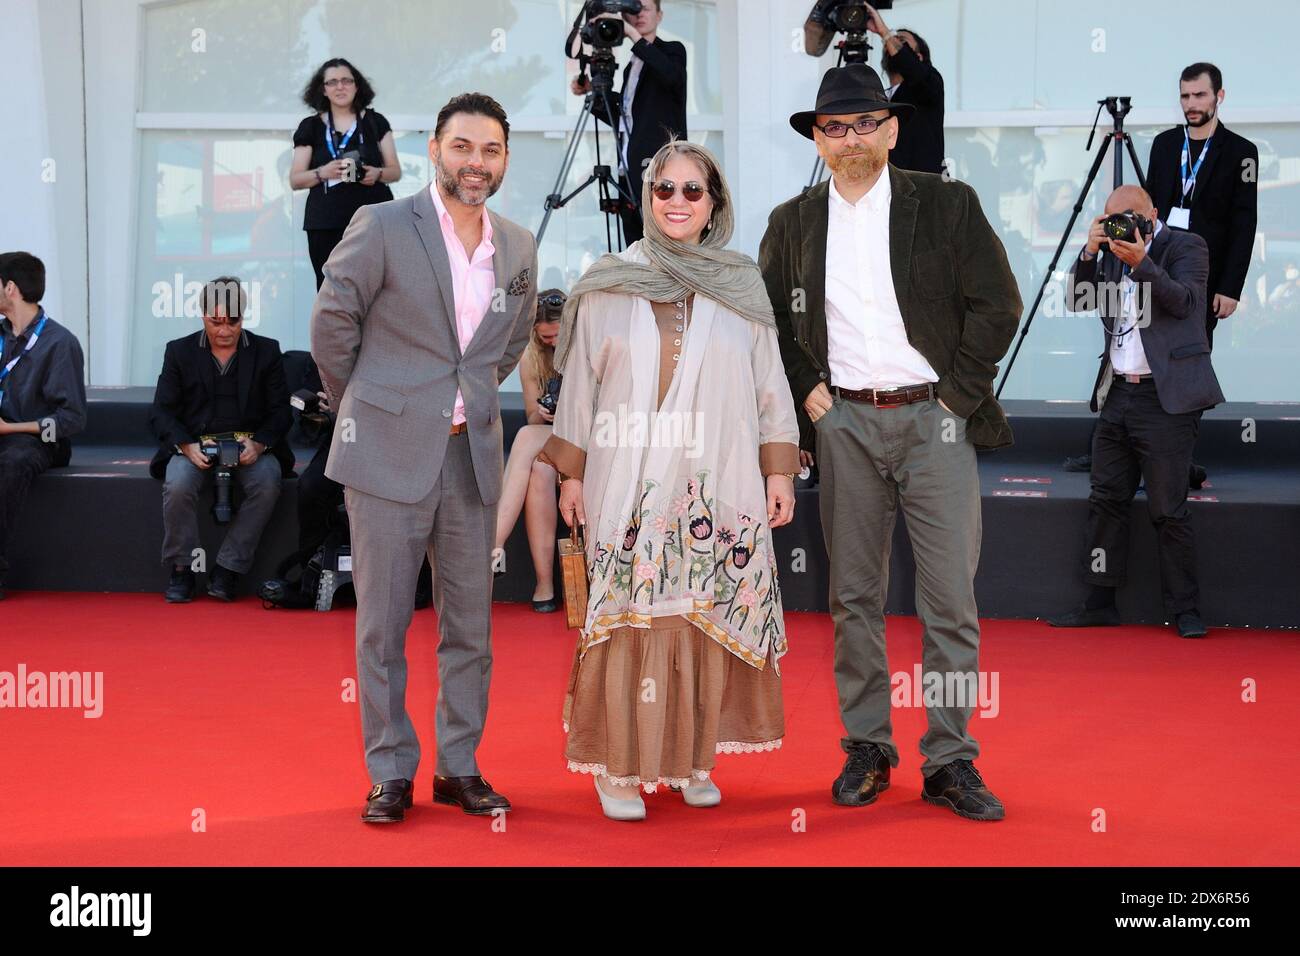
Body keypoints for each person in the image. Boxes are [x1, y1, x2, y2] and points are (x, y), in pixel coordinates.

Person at [761, 64, 1021, 821]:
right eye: (836, 127)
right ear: (817, 136)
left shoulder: (945, 204)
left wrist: (955, 399)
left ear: (893, 129)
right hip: (844, 423)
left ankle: (950, 760)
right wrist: (808, 387)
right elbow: (769, 318)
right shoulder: (791, 222)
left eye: (866, 123)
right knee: (854, 598)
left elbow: (996, 306)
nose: (852, 139)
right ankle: (868, 745)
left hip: (934, 421)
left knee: (948, 602)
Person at [543, 139, 799, 821]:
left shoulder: (741, 283)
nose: (678, 201)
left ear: (714, 202)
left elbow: (770, 383)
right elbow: (581, 392)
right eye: (665, 189)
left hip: (717, 474)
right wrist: (570, 477)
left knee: (702, 610)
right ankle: (618, 769)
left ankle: (693, 759)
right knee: (632, 615)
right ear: (647, 197)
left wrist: (779, 469)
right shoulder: (608, 279)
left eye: (694, 190)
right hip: (625, 477)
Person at [311, 92, 538, 825]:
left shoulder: (519, 246)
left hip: (470, 460)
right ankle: (389, 770)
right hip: (384, 455)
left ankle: (459, 766)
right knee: (381, 624)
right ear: (436, 148)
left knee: (470, 625)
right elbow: (332, 321)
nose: (478, 162)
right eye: (464, 146)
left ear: (505, 160)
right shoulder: (381, 224)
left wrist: (460, 398)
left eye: (492, 150)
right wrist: (371, 405)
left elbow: (504, 347)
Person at [1050, 186, 1224, 639]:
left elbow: (1185, 303)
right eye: (1112, 220)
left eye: (1130, 217)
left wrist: (1141, 262)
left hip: (1163, 398)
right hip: (1118, 396)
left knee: (1168, 509)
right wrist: (1089, 254)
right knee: (1106, 500)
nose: (1121, 226)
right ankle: (1099, 602)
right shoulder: (1109, 250)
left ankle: (1185, 610)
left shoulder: (1187, 246)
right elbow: (1080, 301)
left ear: (1154, 214)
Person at [149, 277, 294, 603]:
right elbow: (161, 412)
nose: (224, 330)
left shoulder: (266, 351)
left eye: (233, 321)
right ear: (202, 316)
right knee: (178, 484)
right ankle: (182, 568)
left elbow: (281, 413)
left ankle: (229, 568)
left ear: (244, 317)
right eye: (216, 322)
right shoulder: (179, 351)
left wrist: (259, 445)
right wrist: (186, 446)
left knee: (268, 481)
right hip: (193, 443)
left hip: (249, 444)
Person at [1145, 62, 1258, 351]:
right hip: (1160, 270)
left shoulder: (1243, 153)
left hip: (1206, 276)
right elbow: (1148, 206)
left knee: (1193, 357)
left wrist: (1230, 288)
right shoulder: (1163, 144)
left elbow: (1244, 225)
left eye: (1200, 95)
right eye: (1185, 96)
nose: (1191, 104)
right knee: (1152, 355)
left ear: (1219, 96)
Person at [0, 252, 87, 600]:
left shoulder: (59, 343)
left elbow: (71, 420)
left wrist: (11, 429)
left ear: (10, 288)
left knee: (12, 461)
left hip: (38, 441)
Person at [571, 0, 687, 244]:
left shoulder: (673, 51)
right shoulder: (631, 68)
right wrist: (594, 91)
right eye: (634, 10)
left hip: (660, 168)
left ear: (660, 15)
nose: (640, 14)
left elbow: (670, 77)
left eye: (645, 8)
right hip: (629, 168)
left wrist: (632, 35)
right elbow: (625, 118)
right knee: (634, 247)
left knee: (664, 245)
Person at [290, 58, 402, 289]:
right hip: (326, 222)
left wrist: (378, 173)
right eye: (332, 82)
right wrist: (323, 172)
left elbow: (395, 171)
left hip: (373, 220)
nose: (340, 87)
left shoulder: (375, 121)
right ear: (323, 89)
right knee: (330, 289)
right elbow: (295, 179)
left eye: (346, 81)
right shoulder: (310, 126)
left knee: (377, 288)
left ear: (357, 85)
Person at [493, 289, 565, 613]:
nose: (551, 342)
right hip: (551, 436)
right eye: (545, 337)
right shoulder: (530, 357)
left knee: (523, 439)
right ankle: (544, 585)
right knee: (539, 469)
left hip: (592, 436)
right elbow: (532, 416)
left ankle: (492, 544)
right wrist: (546, 412)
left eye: (556, 335)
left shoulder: (588, 347)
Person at [865, 7, 944, 175]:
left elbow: (916, 72)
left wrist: (884, 32)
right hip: (887, 191)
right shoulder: (879, 97)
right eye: (888, 43)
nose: (889, 45)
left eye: (901, 40)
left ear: (919, 57)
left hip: (925, 190)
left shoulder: (930, 82)